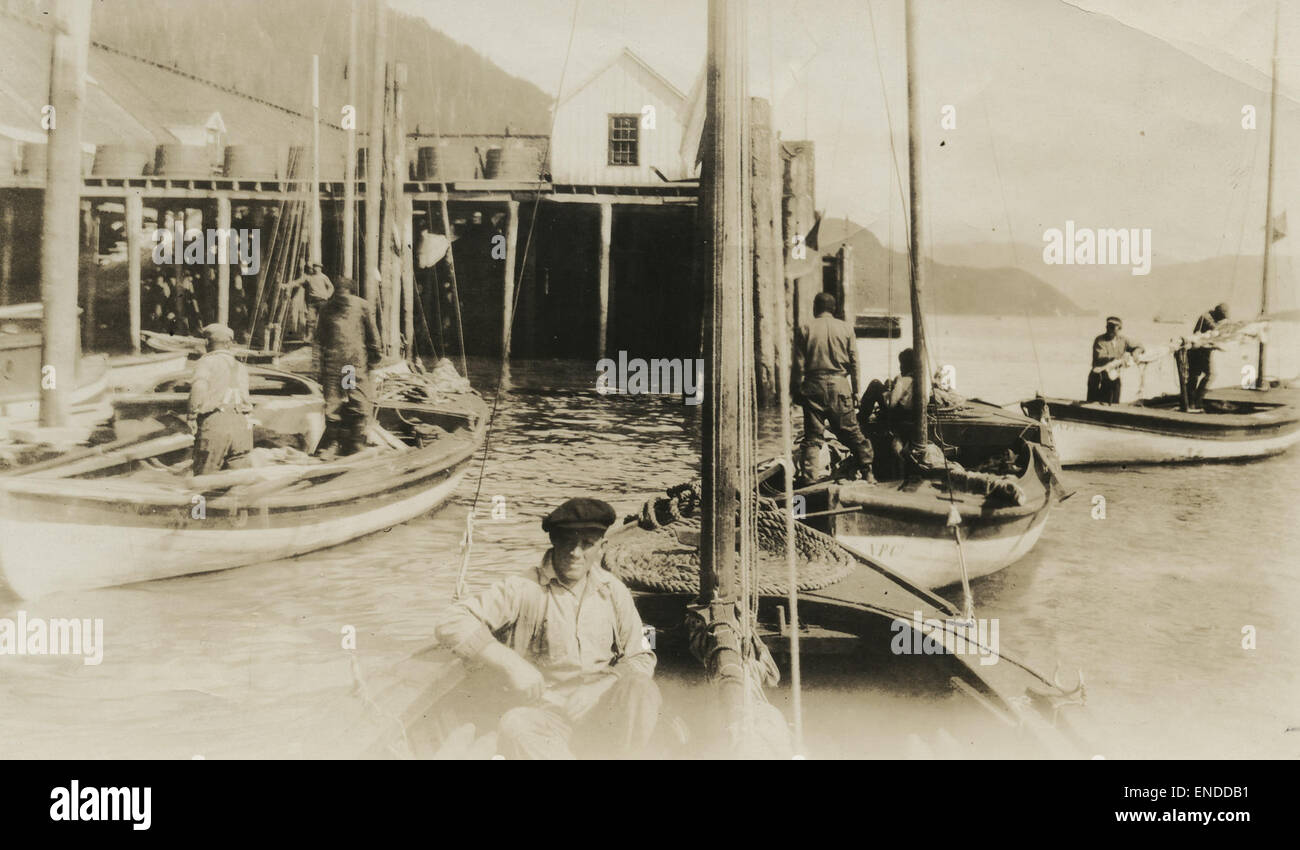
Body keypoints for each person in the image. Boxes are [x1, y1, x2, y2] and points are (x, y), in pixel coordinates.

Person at [433, 497, 661, 760]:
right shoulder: (522, 587)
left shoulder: (615, 591)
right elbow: (451, 619)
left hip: (602, 710)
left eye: (587, 544)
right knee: (515, 725)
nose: (576, 553)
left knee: (643, 689)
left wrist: (601, 686)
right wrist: (511, 663)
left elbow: (644, 653)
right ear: (553, 541)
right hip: (547, 715)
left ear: (602, 546)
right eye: (568, 542)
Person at [794, 291, 874, 482]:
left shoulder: (805, 328)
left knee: (813, 436)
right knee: (851, 430)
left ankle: (809, 479)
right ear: (834, 309)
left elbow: (797, 365)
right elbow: (855, 362)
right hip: (840, 385)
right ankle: (868, 472)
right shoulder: (846, 329)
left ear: (815, 308)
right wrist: (856, 391)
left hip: (813, 385)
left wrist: (796, 391)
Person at [314, 276, 381, 456]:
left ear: (352, 294)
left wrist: (375, 356)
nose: (342, 300)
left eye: (346, 296)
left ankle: (355, 442)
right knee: (333, 405)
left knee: (356, 401)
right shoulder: (327, 309)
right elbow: (319, 339)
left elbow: (372, 333)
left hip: (351, 366)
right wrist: (318, 367)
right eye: (339, 295)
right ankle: (333, 443)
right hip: (334, 364)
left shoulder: (361, 306)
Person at [187, 324, 254, 475]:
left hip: (216, 425)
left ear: (206, 343)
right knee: (237, 480)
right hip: (242, 426)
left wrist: (191, 415)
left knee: (205, 477)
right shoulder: (241, 367)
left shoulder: (206, 362)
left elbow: (199, 388)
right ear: (229, 344)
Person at [1087, 316, 1142, 404]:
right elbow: (1101, 357)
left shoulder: (1124, 340)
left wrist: (1135, 353)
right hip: (1099, 376)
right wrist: (1121, 358)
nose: (1110, 329)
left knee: (1114, 405)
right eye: (1109, 326)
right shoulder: (1100, 340)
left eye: (1113, 327)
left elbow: (1139, 346)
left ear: (1120, 328)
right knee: (1093, 405)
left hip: (1114, 376)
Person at [1186, 303, 1228, 411]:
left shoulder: (1211, 318)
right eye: (1221, 318)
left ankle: (1194, 401)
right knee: (1202, 375)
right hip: (1197, 352)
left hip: (1203, 351)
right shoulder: (1206, 317)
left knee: (1198, 376)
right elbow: (1215, 329)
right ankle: (1194, 401)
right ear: (1217, 314)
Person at [285, 262, 335, 341]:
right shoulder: (308, 277)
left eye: (318, 267)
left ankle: (326, 338)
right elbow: (297, 282)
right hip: (313, 302)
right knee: (310, 320)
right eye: (314, 267)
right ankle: (310, 336)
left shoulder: (324, 277)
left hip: (322, 301)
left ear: (320, 268)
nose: (316, 268)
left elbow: (331, 287)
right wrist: (286, 285)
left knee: (323, 319)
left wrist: (328, 295)